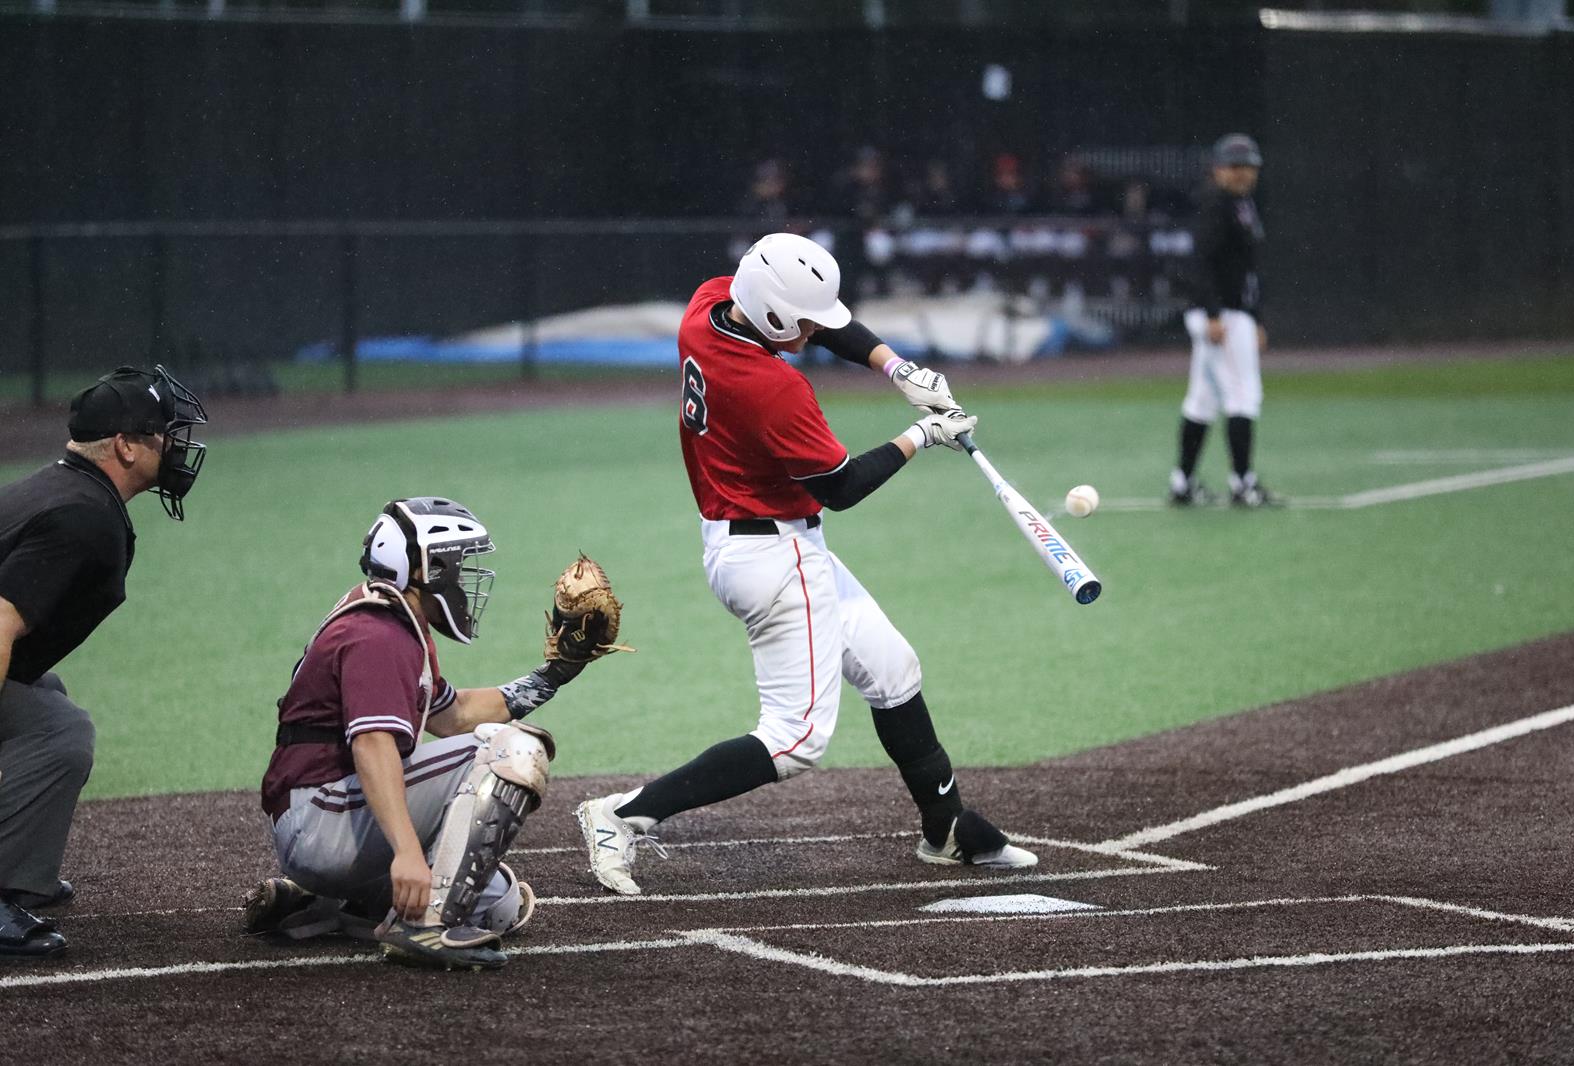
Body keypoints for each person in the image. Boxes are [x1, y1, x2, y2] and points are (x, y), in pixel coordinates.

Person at [575, 232, 1036, 896]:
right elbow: (841, 487)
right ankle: (623, 814)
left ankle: (946, 829)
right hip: (775, 556)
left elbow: (812, 326)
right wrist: (924, 434)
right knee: (795, 741)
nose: (818, 330)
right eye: (807, 321)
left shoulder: (708, 308)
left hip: (754, 539)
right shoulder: (770, 388)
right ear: (770, 316)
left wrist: (895, 368)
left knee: (892, 667)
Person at [246, 498, 622, 971]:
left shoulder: (393, 619)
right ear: (427, 567)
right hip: (321, 819)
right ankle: (423, 924)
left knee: (499, 903)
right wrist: (406, 852)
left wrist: (556, 673)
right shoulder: (378, 634)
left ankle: (326, 904)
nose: (464, 578)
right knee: (515, 751)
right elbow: (373, 743)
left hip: (332, 822)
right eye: (456, 563)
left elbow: (456, 714)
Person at [0, 364, 207, 960]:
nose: (174, 448)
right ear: (124, 445)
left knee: (47, 694)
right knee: (59, 732)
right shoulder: (81, 515)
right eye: (163, 436)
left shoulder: (67, 489)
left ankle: (19, 855)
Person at [1170, 133, 1280, 508]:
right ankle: (1243, 483)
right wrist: (1214, 313)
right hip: (1223, 316)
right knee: (1243, 396)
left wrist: (1257, 317)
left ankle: (1182, 483)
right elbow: (1199, 263)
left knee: (1202, 400)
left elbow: (1246, 270)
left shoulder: (1240, 204)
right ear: (1218, 169)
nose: (1243, 173)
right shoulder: (1216, 203)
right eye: (1235, 167)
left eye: (1248, 166)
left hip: (1233, 313)